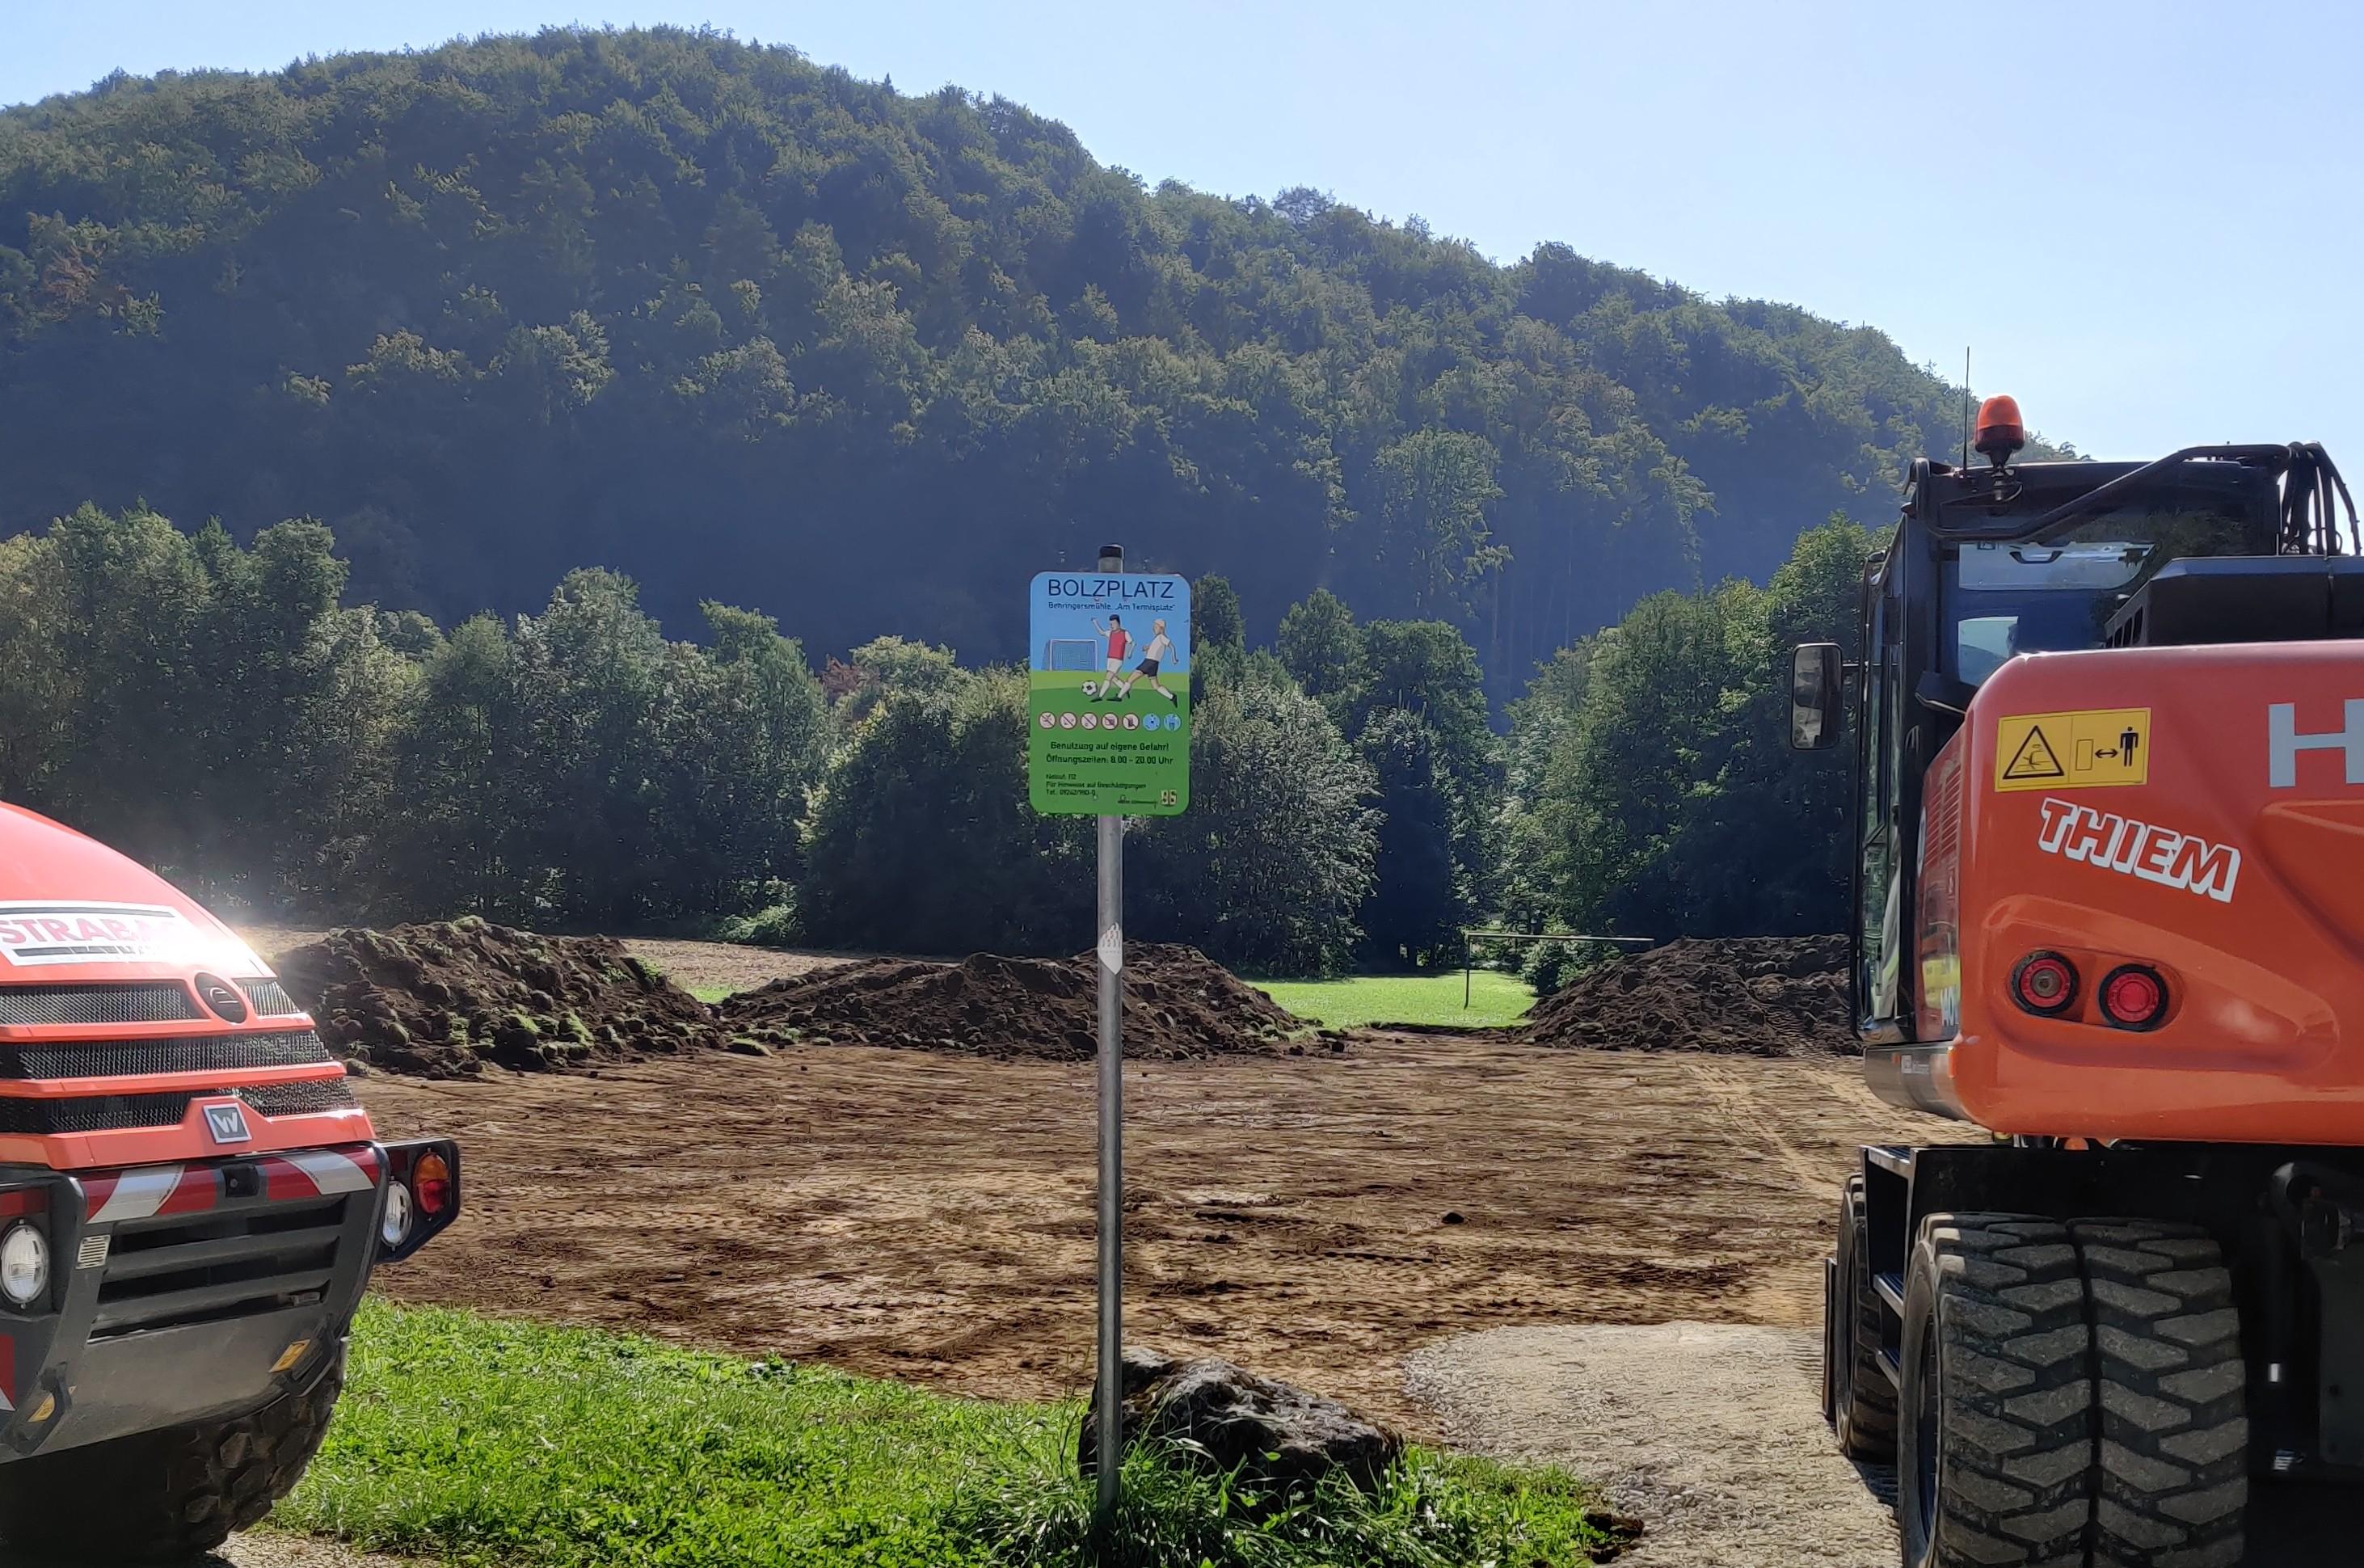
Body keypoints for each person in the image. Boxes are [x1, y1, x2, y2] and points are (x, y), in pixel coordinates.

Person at [1112, 618, 1179, 706]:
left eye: (1156, 627)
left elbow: (1172, 647)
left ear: (1161, 628)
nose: (1154, 629)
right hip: (1154, 664)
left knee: (1130, 679)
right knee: (1156, 686)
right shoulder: (1157, 639)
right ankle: (1171, 696)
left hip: (1149, 662)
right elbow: (1154, 648)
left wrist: (1174, 659)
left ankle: (1119, 697)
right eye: (1154, 627)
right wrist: (1147, 648)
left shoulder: (1162, 637)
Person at [1089, 614, 1129, 695]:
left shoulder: (1125, 633)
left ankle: (1100, 696)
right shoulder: (1110, 633)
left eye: (1113, 624)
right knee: (1113, 678)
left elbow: (1131, 642)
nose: (1112, 626)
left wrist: (1128, 653)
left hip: (1118, 659)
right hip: (1110, 658)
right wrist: (1095, 623)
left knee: (1108, 677)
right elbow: (1101, 633)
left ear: (1118, 623)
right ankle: (1125, 689)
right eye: (1111, 624)